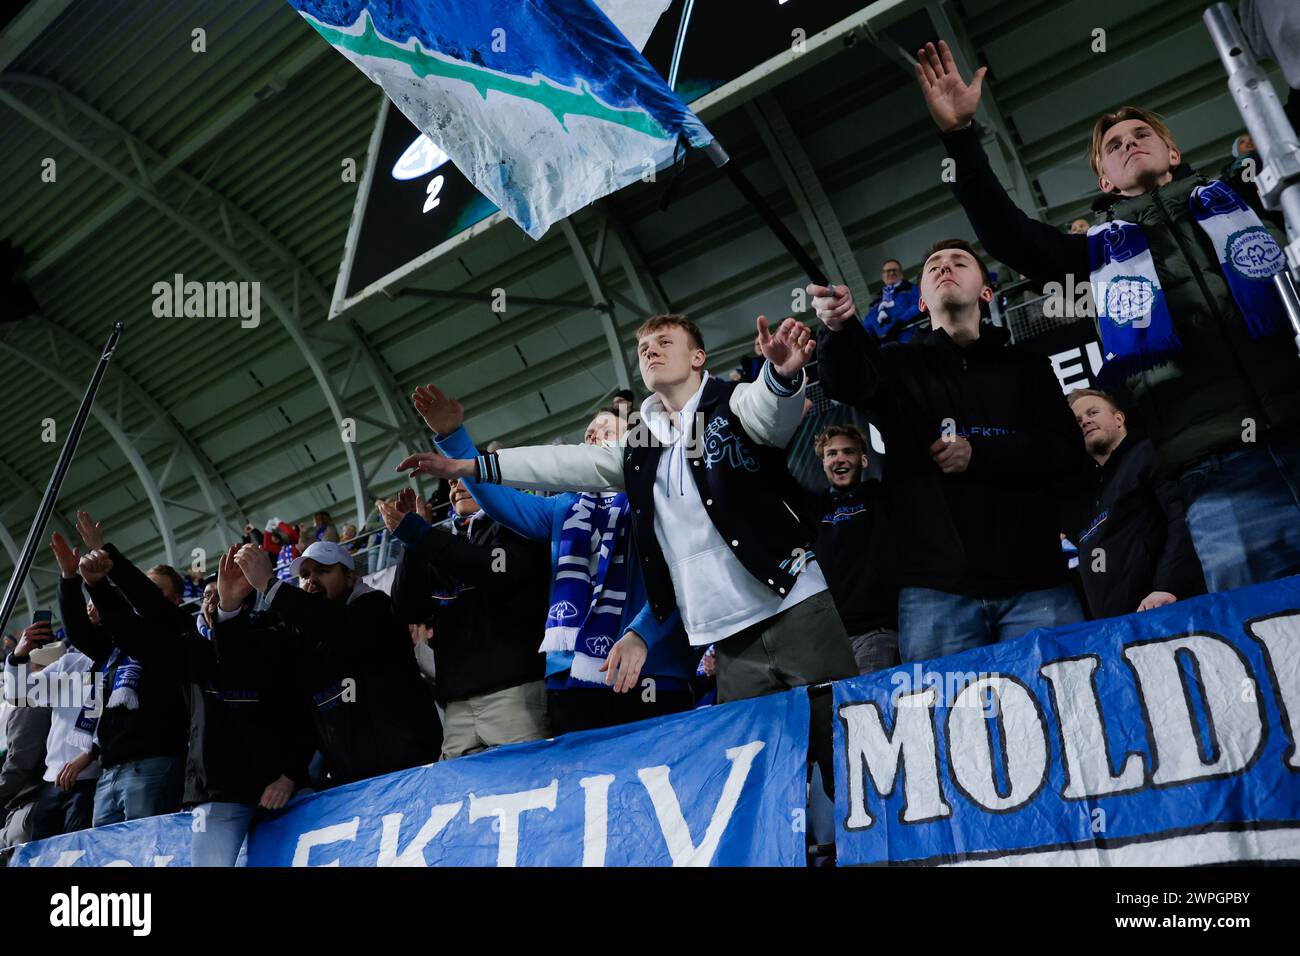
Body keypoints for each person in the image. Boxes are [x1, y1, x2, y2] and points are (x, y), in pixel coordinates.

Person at [396, 313, 859, 801]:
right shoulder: (640, 451)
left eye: (665, 341)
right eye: (643, 349)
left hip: (792, 605)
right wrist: (462, 458)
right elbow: (556, 464)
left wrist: (782, 375)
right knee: (761, 784)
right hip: (724, 636)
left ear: (698, 357)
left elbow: (770, 414)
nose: (651, 351)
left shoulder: (732, 403)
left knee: (845, 751)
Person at [913, 40, 1300, 593]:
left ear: (1172, 153)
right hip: (1216, 475)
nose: (1130, 143)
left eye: (1143, 134)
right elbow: (1006, 232)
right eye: (1114, 145)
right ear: (1106, 182)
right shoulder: (1092, 257)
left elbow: (1291, 136)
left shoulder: (1248, 194)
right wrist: (959, 139)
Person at [813, 239, 1091, 662]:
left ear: (986, 291)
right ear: (921, 303)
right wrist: (834, 330)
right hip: (934, 593)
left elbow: (1065, 452)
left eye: (960, 262)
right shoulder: (895, 364)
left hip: (1037, 584)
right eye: (933, 267)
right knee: (947, 722)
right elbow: (845, 381)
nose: (945, 267)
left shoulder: (1028, 369)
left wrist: (978, 453)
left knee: (1063, 708)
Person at [416, 391, 700, 735]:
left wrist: (642, 634)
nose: (592, 436)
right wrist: (454, 439)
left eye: (605, 430)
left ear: (634, 439)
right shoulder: (561, 508)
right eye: (588, 434)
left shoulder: (661, 491)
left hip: (652, 669)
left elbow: (678, 573)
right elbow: (499, 500)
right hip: (573, 680)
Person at [219, 539, 441, 786]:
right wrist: (229, 608)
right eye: (304, 575)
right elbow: (248, 664)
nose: (311, 580)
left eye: (322, 571)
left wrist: (271, 586)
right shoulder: (298, 630)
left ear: (349, 577)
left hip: (411, 767)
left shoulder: (377, 607)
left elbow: (339, 627)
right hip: (350, 781)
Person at [382, 482, 551, 759]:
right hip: (457, 707)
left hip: (514, 694)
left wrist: (422, 536)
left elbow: (489, 566)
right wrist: (413, 545)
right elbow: (406, 609)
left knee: (531, 788)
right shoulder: (437, 542)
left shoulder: (518, 525)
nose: (456, 487)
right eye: (451, 483)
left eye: (465, 479)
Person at [60, 513, 188, 827]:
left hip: (155, 765)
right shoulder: (116, 645)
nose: (139, 594)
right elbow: (78, 630)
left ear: (174, 599)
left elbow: (141, 607)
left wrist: (105, 559)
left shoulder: (177, 634)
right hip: (110, 771)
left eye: (153, 588)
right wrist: (69, 579)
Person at [1066, 389, 1207, 618]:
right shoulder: (1087, 495)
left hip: (1167, 607)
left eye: (1093, 412)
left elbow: (1181, 518)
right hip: (1119, 630)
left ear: (1119, 418)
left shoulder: (1149, 452)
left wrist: (1167, 585)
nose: (1086, 422)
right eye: (1078, 421)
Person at [3, 535, 102, 841]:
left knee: (77, 853)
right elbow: (21, 695)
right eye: (87, 606)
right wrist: (19, 654)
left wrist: (89, 755)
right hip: (53, 781)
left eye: (96, 606)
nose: (90, 611)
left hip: (91, 779)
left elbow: (110, 717)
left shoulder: (123, 659)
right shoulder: (70, 663)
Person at [802, 424, 899, 674]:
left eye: (849, 451)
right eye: (831, 453)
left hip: (876, 633)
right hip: (828, 638)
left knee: (865, 708)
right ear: (823, 463)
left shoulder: (881, 496)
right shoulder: (812, 508)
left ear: (864, 460)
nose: (840, 458)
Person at [862, 259, 923, 345]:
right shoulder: (877, 302)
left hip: (908, 339)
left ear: (901, 273)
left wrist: (900, 322)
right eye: (887, 271)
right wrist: (868, 336)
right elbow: (868, 322)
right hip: (884, 347)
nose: (891, 273)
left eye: (894, 270)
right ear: (883, 276)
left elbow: (918, 306)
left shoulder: (911, 289)